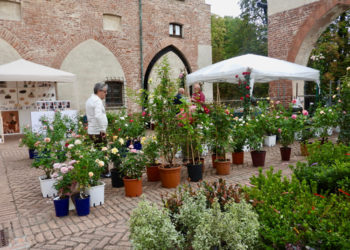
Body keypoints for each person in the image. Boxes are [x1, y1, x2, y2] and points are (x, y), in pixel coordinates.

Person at [85, 82, 110, 177]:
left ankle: (98, 171)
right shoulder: (97, 101)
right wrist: (103, 129)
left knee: (97, 151)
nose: (106, 93)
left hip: (92, 130)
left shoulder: (90, 100)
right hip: (98, 131)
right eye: (105, 91)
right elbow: (98, 115)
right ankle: (105, 172)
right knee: (103, 151)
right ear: (99, 91)